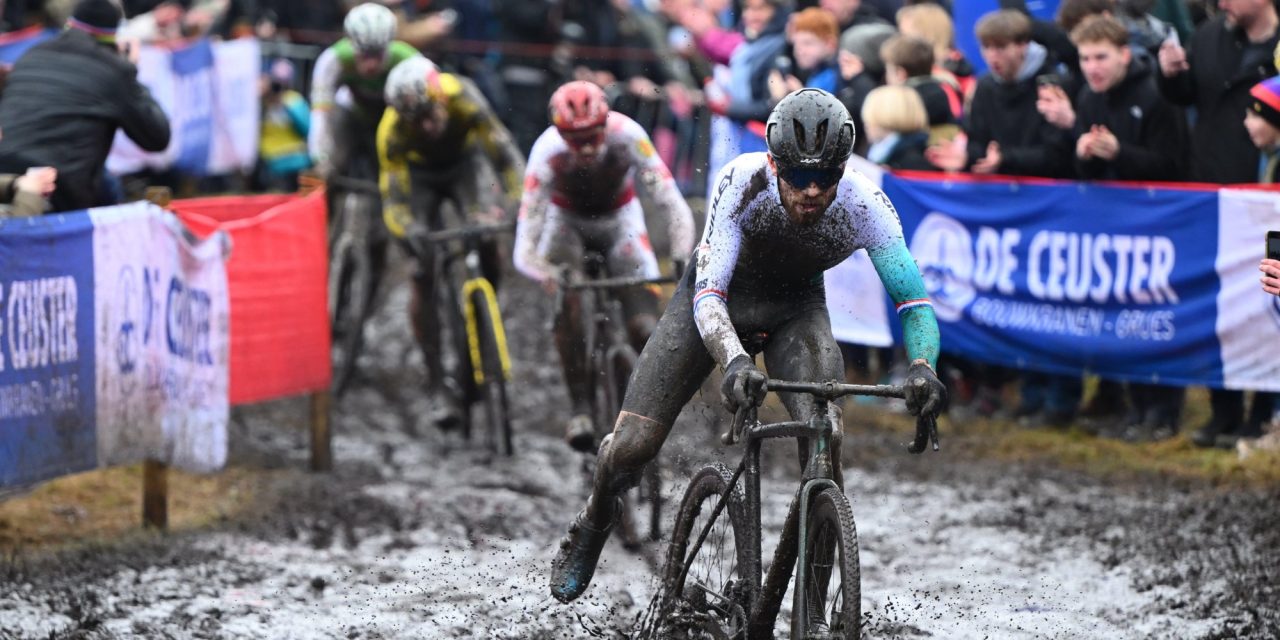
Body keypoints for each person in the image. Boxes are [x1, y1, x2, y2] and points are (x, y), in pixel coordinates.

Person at [548, 88, 946, 604]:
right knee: (634, 447)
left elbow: (914, 302)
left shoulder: (864, 204)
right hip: (713, 304)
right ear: (775, 163)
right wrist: (733, 360)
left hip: (795, 311)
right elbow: (709, 295)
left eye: (825, 177)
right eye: (798, 177)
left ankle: (813, 607)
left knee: (825, 440)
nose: (811, 191)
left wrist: (922, 366)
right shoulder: (743, 180)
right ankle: (595, 517)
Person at [513, 80, 696, 451]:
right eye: (574, 139)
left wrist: (680, 256)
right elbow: (525, 246)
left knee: (645, 327)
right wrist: (548, 273)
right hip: (565, 225)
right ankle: (580, 407)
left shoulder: (628, 135)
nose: (586, 147)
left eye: (593, 135)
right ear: (560, 133)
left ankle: (648, 410)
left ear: (605, 124)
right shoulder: (546, 151)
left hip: (620, 221)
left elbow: (670, 202)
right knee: (571, 302)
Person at [378, 55, 525, 430]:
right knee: (420, 271)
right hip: (420, 177)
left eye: (431, 114)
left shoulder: (464, 96)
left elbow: (506, 157)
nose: (427, 126)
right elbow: (393, 202)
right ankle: (434, 382)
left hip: (465, 165)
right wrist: (409, 230)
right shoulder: (392, 132)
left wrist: (512, 204)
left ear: (440, 99)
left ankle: (484, 307)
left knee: (486, 235)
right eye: (417, 121)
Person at [1158, 0, 1279, 447]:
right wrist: (1171, 76)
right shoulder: (1208, 36)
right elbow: (1188, 95)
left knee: (1266, 306)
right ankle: (1222, 412)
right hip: (1211, 192)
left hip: (1264, 192)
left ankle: (1263, 414)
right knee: (1216, 308)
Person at [0, 0, 169, 214]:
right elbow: (158, 138)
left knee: (107, 181)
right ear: (114, 36)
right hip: (58, 185)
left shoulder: (32, 54)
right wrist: (132, 73)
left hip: (5, 173)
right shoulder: (115, 69)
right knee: (110, 188)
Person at [308, 3, 419, 184]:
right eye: (364, 55)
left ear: (389, 45)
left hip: (390, 116)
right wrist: (320, 159)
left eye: (378, 55)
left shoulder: (408, 60)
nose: (371, 65)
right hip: (351, 112)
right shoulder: (333, 60)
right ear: (351, 45)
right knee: (331, 166)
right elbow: (320, 114)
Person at [257, 58, 310, 192]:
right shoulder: (262, 104)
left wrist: (286, 108)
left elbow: (307, 129)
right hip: (271, 165)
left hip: (296, 162)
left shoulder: (293, 101)